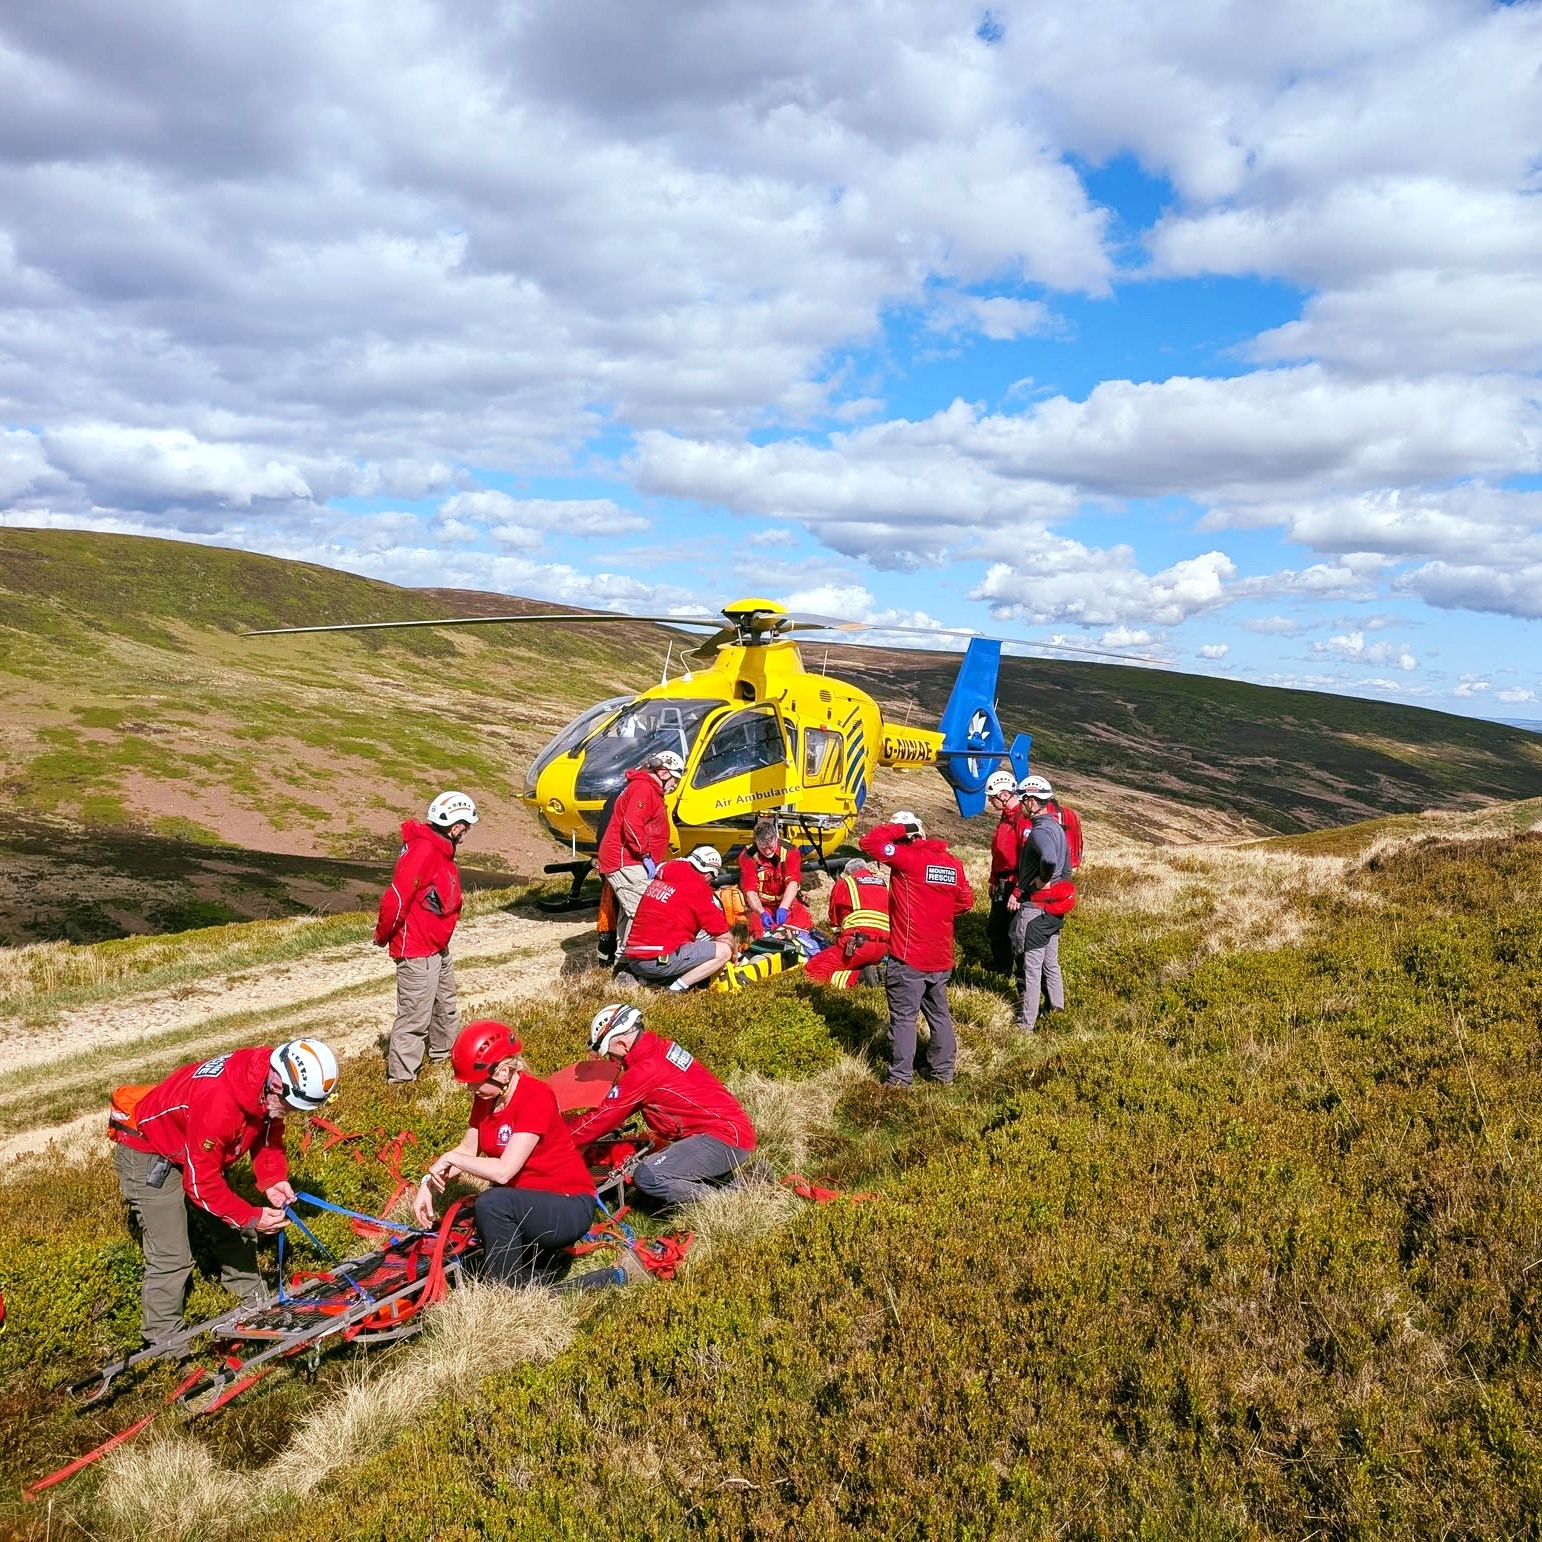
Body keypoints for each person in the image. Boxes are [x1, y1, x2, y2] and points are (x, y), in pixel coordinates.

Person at [109, 1039, 339, 1344]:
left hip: (193, 1143)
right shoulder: (218, 1104)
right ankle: (165, 1347)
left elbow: (269, 1129)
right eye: (292, 1105)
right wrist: (252, 1216)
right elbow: (201, 1184)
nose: (291, 1113)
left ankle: (253, 1302)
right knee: (171, 1256)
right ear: (275, 1084)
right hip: (151, 1153)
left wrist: (272, 1179)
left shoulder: (266, 1081)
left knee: (234, 1226)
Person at [414, 1020, 597, 1287]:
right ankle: (521, 1274)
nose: (470, 1089)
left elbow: (504, 1170)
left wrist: (451, 1159)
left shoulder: (535, 1096)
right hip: (527, 1203)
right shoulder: (486, 1098)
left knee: (492, 1203)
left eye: (474, 1082)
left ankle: (506, 1290)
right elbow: (467, 1149)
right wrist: (427, 1184)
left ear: (502, 1071)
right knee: (489, 1205)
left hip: (568, 1205)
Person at [569, 1004, 760, 1208]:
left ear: (623, 1044)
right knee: (653, 1174)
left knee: (649, 1176)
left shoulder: (644, 1071)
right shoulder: (660, 1049)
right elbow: (620, 1105)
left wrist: (559, 1137)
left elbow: (601, 1118)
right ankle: (743, 1179)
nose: (612, 1061)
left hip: (723, 1140)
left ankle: (731, 1198)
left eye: (611, 1054)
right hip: (731, 1132)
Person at [859, 811, 974, 1088]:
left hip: (908, 957)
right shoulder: (952, 864)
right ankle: (943, 1072)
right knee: (939, 1016)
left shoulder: (909, 859)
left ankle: (899, 1079)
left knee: (904, 1020)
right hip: (941, 957)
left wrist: (900, 827)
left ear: (908, 836)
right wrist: (939, 912)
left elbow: (870, 843)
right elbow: (966, 901)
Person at [375, 790, 477, 1085]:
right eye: (466, 826)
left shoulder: (439, 848)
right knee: (415, 1015)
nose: (467, 832)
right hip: (417, 947)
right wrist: (384, 935)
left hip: (437, 946)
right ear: (455, 826)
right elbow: (396, 898)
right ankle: (402, 1080)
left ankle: (444, 1056)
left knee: (445, 1005)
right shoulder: (424, 851)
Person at [596, 751, 683, 953]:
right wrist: (644, 855)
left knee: (629, 913)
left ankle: (622, 960)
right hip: (625, 859)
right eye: (675, 779)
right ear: (664, 772)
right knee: (645, 911)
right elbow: (632, 824)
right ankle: (633, 962)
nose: (675, 785)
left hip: (631, 859)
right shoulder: (644, 788)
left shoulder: (646, 788)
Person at [1009, 775, 1076, 1032]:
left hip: (1035, 908)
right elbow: (1067, 867)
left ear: (1033, 802)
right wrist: (1055, 887)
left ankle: (1026, 1024)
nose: (1021, 805)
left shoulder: (1039, 832)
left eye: (1023, 800)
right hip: (1052, 909)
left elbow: (1048, 860)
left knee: (1031, 967)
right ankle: (1056, 1010)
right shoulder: (1058, 828)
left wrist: (1040, 881)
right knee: (1051, 963)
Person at [617, 844, 733, 990]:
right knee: (723, 951)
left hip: (634, 958)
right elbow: (723, 936)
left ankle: (643, 980)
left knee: (689, 949)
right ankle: (676, 988)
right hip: (657, 960)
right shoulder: (698, 888)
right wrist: (734, 955)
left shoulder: (666, 873)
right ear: (710, 874)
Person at [804, 855, 890, 987]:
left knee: (815, 968)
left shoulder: (845, 883)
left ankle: (858, 978)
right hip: (883, 948)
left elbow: (835, 921)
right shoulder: (884, 885)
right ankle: (874, 973)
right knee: (857, 961)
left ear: (849, 873)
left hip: (857, 944)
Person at [983, 769, 1030, 975]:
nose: (990, 802)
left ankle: (1017, 973)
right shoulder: (1006, 816)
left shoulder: (1021, 818)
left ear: (1003, 795)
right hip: (1003, 881)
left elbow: (1027, 859)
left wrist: (1018, 891)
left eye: (991, 798)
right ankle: (1001, 967)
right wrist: (994, 879)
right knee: (995, 929)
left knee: (1013, 932)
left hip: (1015, 881)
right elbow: (998, 851)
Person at [737, 816, 813, 936]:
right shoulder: (747, 856)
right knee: (757, 934)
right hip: (762, 906)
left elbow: (793, 882)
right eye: (763, 848)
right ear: (756, 842)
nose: (767, 852)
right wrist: (761, 912)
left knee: (803, 932)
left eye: (771, 847)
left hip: (788, 904)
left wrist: (783, 907)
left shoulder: (790, 851)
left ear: (776, 839)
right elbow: (750, 890)